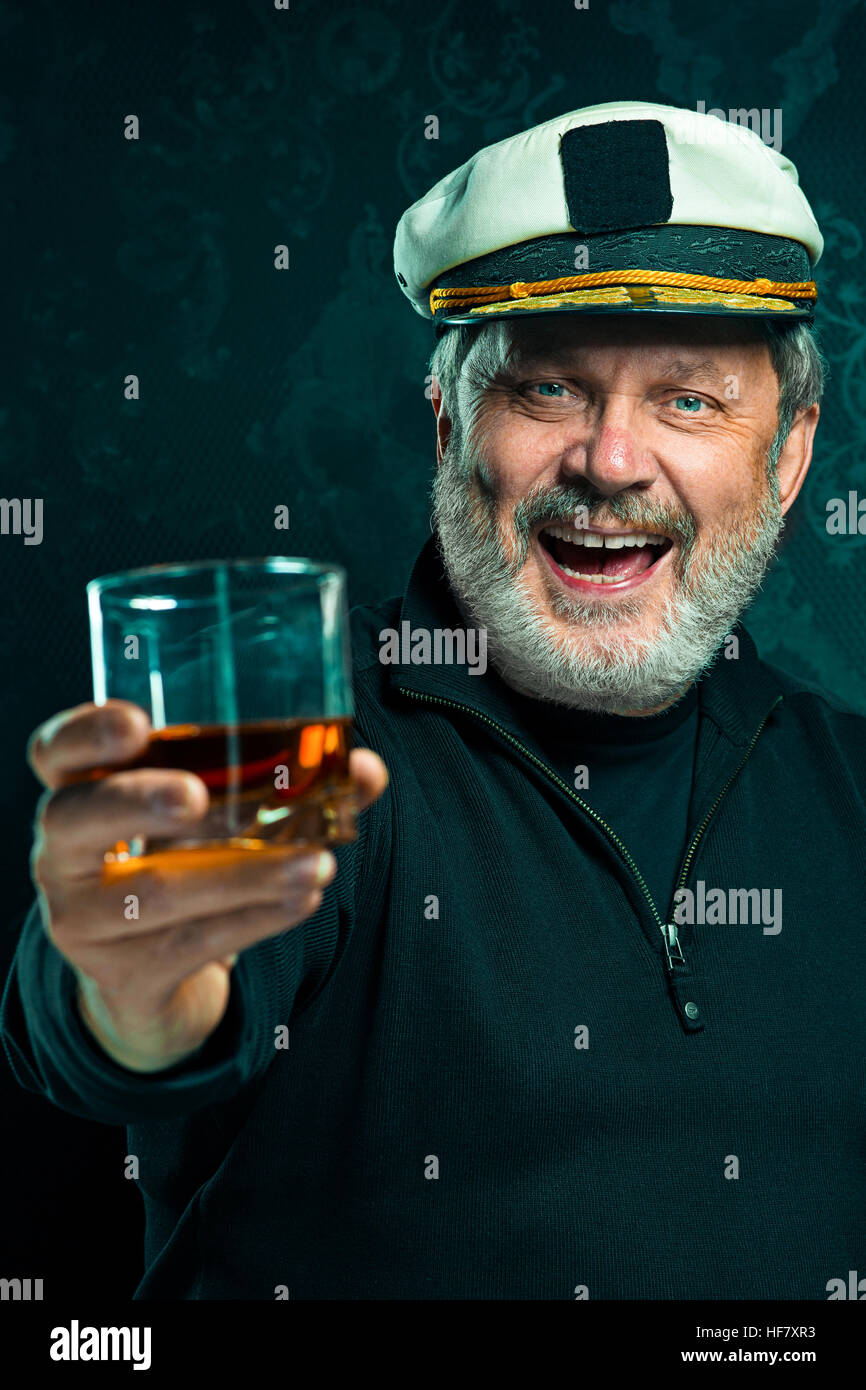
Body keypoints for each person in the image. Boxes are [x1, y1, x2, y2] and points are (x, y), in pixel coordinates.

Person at [3, 101, 864, 1301]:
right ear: (451, 419)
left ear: (786, 458)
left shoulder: (848, 788)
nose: (609, 461)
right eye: (546, 390)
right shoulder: (303, 741)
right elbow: (140, 1003)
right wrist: (134, 980)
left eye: (686, 399)